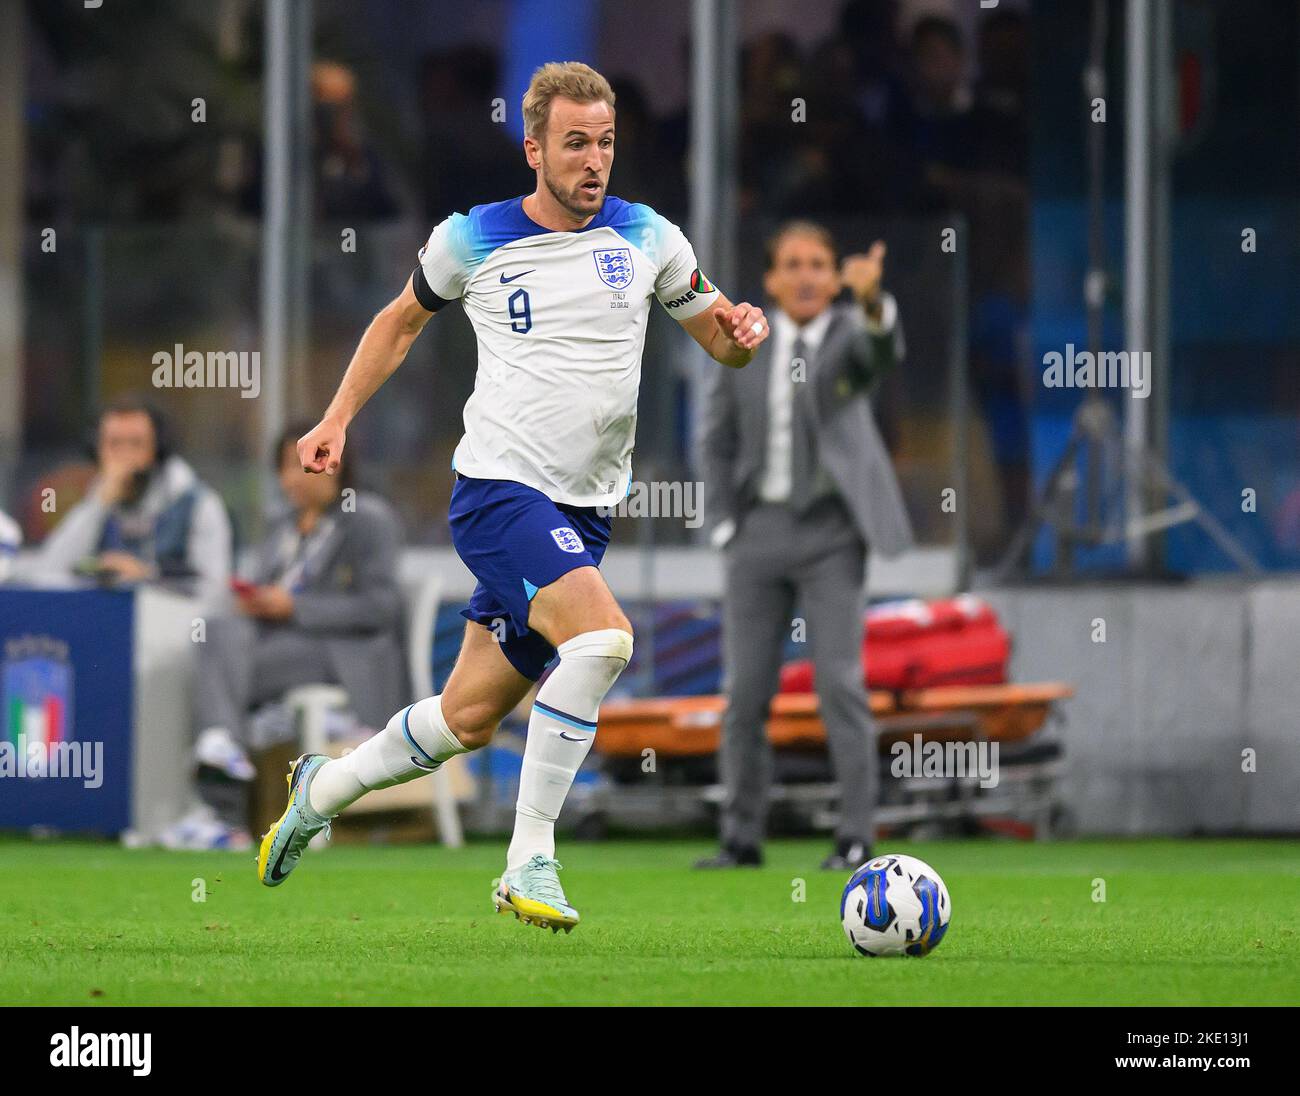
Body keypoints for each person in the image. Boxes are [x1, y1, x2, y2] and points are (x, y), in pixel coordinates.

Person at [257, 62, 770, 933]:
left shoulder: (650, 237)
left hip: (584, 512)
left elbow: (721, 341)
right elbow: (399, 323)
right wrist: (338, 419)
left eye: (605, 143)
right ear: (533, 148)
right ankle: (530, 858)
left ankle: (323, 785)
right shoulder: (473, 239)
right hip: (499, 492)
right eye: (575, 143)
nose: (593, 160)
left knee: (463, 717)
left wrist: (744, 335)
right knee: (605, 639)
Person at [697, 220, 912, 871]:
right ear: (770, 280)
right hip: (758, 531)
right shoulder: (746, 343)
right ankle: (742, 838)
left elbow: (883, 350)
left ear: (835, 277)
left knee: (839, 685)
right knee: (747, 693)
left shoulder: (850, 335)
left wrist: (874, 300)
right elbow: (714, 438)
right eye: (792, 264)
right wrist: (725, 523)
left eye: (819, 263)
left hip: (831, 534)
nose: (807, 275)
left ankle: (854, 838)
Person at [165, 423, 407, 850]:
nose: (291, 479)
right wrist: (258, 601)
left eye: (303, 467)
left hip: (344, 655)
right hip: (276, 648)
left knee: (217, 671)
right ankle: (223, 754)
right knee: (220, 634)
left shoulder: (367, 518)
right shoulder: (281, 526)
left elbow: (380, 608)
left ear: (334, 463)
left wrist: (294, 607)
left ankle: (222, 799)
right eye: (285, 468)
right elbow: (263, 588)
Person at [32, 395, 231, 614]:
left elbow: (214, 593)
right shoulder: (96, 502)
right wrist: (98, 504)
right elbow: (49, 574)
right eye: (114, 444)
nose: (124, 456)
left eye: (136, 444)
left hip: (173, 636)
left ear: (158, 449)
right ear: (97, 449)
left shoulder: (198, 505)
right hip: (106, 629)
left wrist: (148, 576)